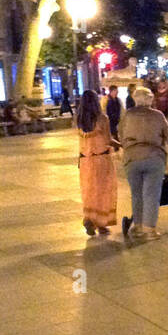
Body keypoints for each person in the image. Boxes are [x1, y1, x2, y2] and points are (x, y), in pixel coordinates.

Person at [118, 85, 168, 241]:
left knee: (136, 194)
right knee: (151, 193)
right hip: (153, 157)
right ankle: (149, 229)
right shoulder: (157, 115)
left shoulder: (128, 115)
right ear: (149, 99)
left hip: (131, 158)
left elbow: (120, 132)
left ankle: (137, 226)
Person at [75, 89, 116, 236]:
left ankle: (89, 218)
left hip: (85, 160)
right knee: (104, 190)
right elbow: (108, 140)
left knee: (89, 191)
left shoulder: (78, 120)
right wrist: (123, 144)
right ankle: (101, 222)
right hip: (101, 159)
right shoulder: (102, 119)